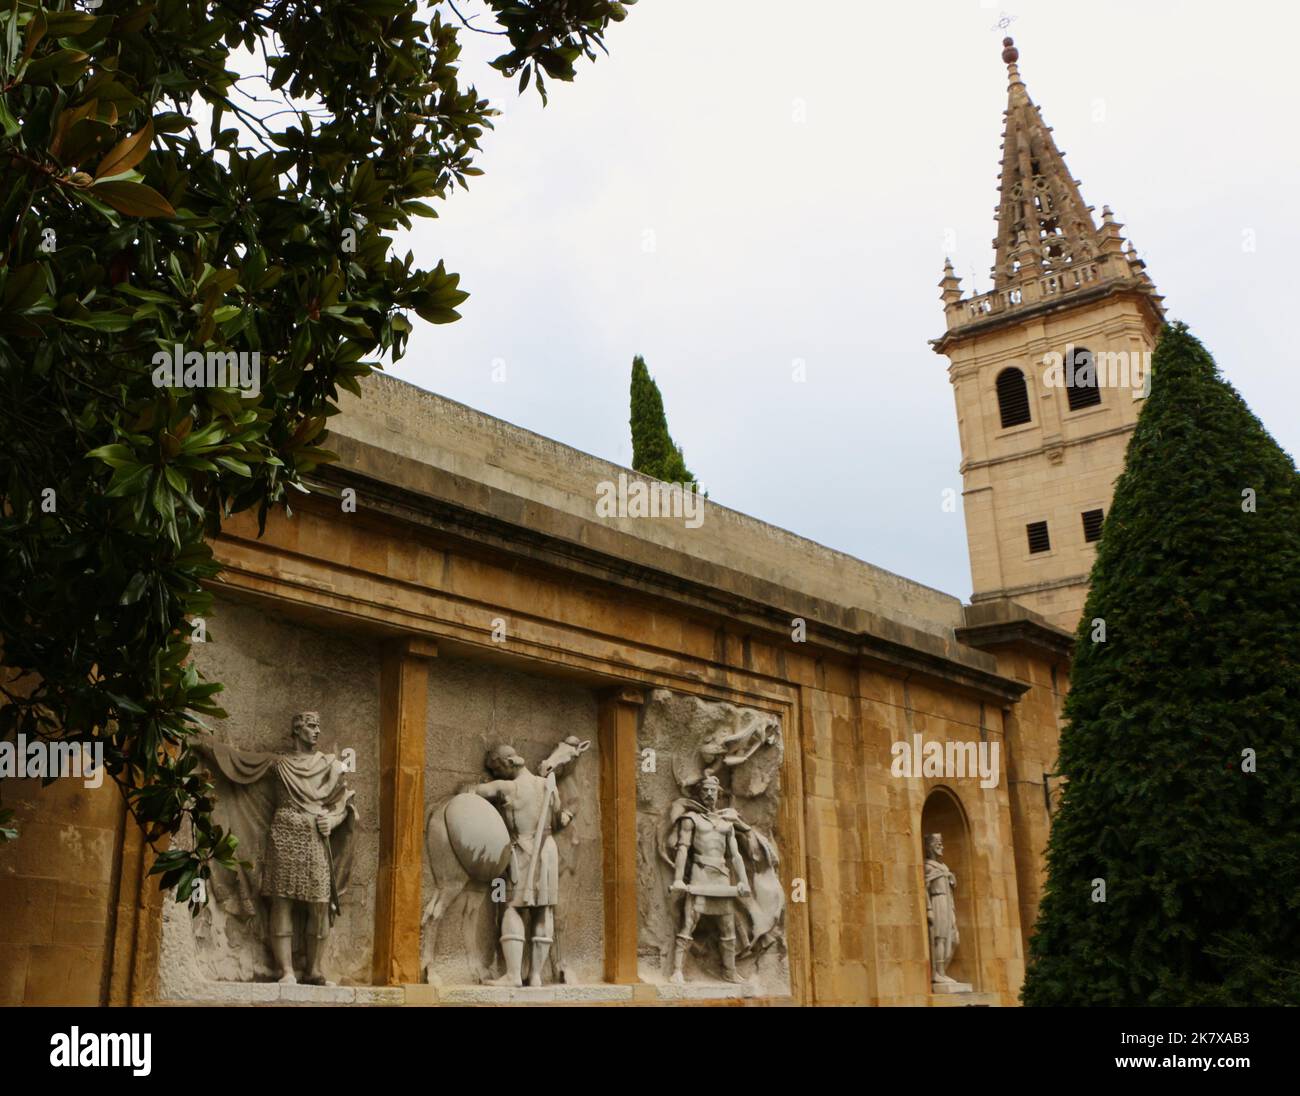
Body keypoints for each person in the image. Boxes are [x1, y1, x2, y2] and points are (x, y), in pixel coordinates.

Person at [196, 711, 355, 986]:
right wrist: (202, 744)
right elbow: (239, 762)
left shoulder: (331, 765)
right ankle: (287, 971)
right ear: (297, 730)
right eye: (311, 726)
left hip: (316, 835)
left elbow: (344, 804)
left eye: (318, 726)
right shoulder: (278, 764)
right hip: (283, 834)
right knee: (282, 902)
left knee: (319, 904)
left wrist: (332, 819)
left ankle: (315, 970)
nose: (317, 731)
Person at [468, 743, 572, 987]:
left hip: (524, 850)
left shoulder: (507, 787)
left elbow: (473, 792)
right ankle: (535, 976)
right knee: (543, 909)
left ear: (507, 763)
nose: (496, 774)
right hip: (548, 851)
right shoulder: (547, 786)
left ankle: (514, 975)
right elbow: (558, 822)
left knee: (512, 907)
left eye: (497, 768)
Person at [667, 773, 752, 984]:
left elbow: (735, 855)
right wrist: (678, 879)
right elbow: (683, 849)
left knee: (728, 927)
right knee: (689, 923)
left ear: (718, 793)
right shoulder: (691, 819)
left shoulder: (727, 823)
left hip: (721, 877)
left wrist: (744, 881)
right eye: (705, 790)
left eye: (712, 790)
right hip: (700, 873)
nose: (709, 794)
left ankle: (729, 971)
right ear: (699, 793)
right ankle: (677, 970)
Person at [924, 832, 960, 984]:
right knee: (940, 938)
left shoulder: (944, 867)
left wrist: (951, 878)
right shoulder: (927, 866)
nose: (942, 847)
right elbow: (925, 887)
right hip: (937, 900)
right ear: (931, 846)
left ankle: (942, 970)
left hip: (947, 901)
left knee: (954, 938)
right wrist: (929, 908)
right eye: (938, 844)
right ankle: (939, 972)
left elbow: (952, 885)